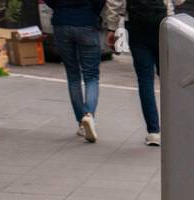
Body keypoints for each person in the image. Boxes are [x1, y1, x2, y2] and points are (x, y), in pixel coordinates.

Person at [105, 0, 183, 147]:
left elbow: (114, 2)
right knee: (168, 78)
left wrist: (112, 27)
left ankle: (154, 131)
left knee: (145, 79)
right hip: (163, 22)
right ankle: (174, 127)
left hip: (136, 25)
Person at [47, 0, 107, 142]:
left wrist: (60, 7)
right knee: (91, 76)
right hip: (87, 22)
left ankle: (81, 123)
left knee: (73, 76)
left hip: (62, 22)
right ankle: (89, 115)